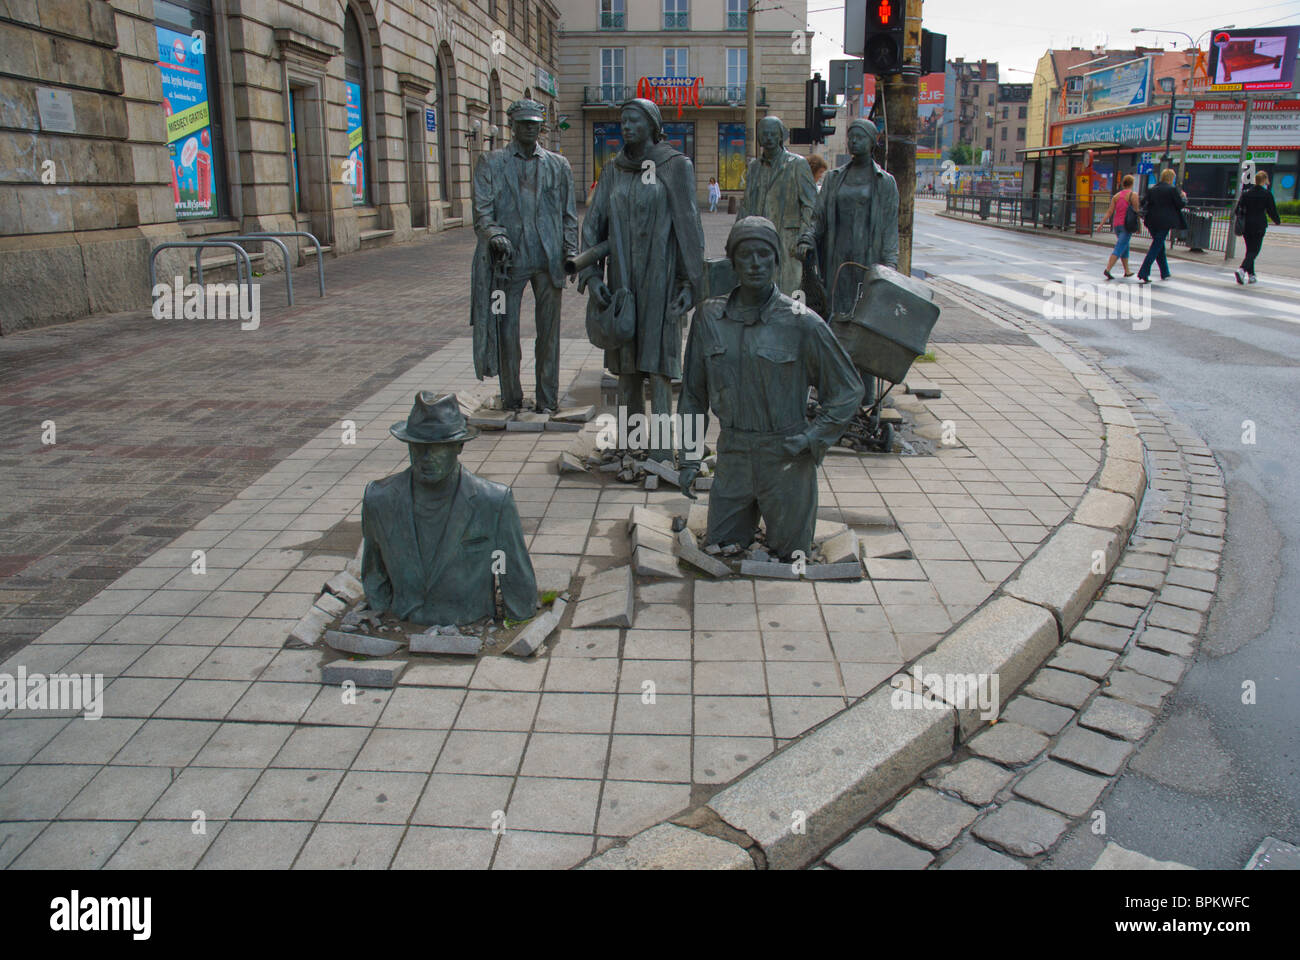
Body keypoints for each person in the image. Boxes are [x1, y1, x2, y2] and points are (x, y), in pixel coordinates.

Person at [678, 218, 862, 561]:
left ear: (777, 261)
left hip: (786, 460)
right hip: (733, 456)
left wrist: (812, 438)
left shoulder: (802, 321)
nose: (755, 263)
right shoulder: (708, 319)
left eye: (764, 254)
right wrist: (688, 456)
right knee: (722, 548)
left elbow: (848, 389)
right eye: (745, 255)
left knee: (791, 555)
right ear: (732, 262)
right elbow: (692, 394)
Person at [578, 98, 704, 462]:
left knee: (660, 367)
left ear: (652, 125)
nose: (626, 126)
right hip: (622, 284)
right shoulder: (614, 170)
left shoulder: (676, 166)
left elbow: (690, 229)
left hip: (661, 282)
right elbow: (594, 224)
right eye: (623, 121)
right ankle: (633, 447)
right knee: (626, 368)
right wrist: (590, 275)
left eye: (634, 120)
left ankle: (663, 451)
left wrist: (689, 284)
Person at [361, 393, 537, 626]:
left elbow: (511, 568)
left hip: (467, 618)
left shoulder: (493, 501)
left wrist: (517, 618)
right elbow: (374, 569)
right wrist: (381, 612)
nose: (426, 457)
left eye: (438, 448)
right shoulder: (379, 499)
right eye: (419, 447)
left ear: (459, 446)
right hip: (405, 620)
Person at [470, 98, 578, 413]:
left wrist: (571, 250)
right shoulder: (491, 162)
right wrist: (495, 235)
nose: (530, 128)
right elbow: (482, 214)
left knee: (549, 335)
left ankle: (547, 399)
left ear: (541, 126)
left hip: (548, 261)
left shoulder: (559, 165)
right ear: (512, 126)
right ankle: (511, 397)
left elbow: (569, 215)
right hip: (507, 264)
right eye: (524, 123)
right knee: (506, 330)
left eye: (535, 123)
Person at [797, 118, 899, 322]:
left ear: (872, 142)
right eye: (851, 137)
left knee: (865, 308)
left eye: (860, 137)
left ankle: (861, 351)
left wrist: (890, 266)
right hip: (838, 254)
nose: (854, 141)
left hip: (869, 255)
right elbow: (819, 217)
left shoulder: (885, 182)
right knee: (835, 307)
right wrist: (808, 237)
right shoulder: (834, 178)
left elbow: (889, 227)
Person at [737, 116, 817, 296]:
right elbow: (746, 204)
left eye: (773, 134)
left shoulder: (797, 164)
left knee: (788, 294)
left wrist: (804, 238)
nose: (769, 138)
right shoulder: (754, 167)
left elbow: (810, 205)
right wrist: (737, 237)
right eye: (764, 134)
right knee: (758, 291)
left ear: (781, 136)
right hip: (757, 239)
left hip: (788, 241)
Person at [1136, 168, 1186, 283]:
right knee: (1156, 246)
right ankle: (1144, 271)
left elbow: (1143, 202)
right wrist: (1183, 196)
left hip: (1151, 221)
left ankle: (1165, 272)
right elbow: (1180, 204)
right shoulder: (1172, 190)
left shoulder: (1152, 189)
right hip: (1165, 222)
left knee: (1159, 246)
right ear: (1171, 178)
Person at [1235, 170, 1282, 284]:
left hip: (1246, 225)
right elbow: (1272, 210)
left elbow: (1237, 210)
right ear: (1265, 180)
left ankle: (1251, 275)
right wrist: (1277, 221)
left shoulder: (1246, 193)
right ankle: (1242, 269)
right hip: (1259, 225)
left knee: (1250, 250)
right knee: (1254, 251)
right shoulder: (1267, 194)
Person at [1102, 174, 1138, 280]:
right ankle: (1108, 269)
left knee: (1125, 247)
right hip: (1126, 225)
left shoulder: (1116, 196)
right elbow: (1136, 211)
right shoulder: (1133, 195)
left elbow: (1110, 211)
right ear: (1131, 184)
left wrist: (1101, 224)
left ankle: (1127, 271)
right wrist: (1139, 226)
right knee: (1119, 247)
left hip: (1117, 225)